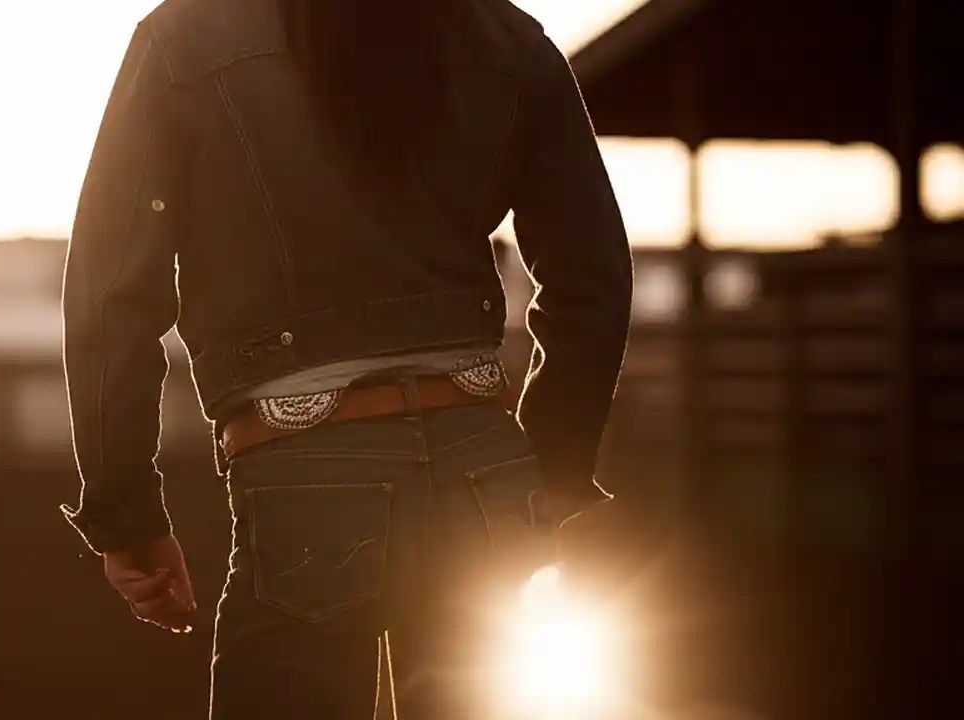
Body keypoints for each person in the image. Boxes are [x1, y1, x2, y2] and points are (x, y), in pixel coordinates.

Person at [57, 0, 632, 717]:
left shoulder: (183, 39)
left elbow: (111, 297)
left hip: (305, 475)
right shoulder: (506, 35)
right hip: (486, 473)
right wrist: (552, 470)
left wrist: (127, 515)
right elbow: (592, 276)